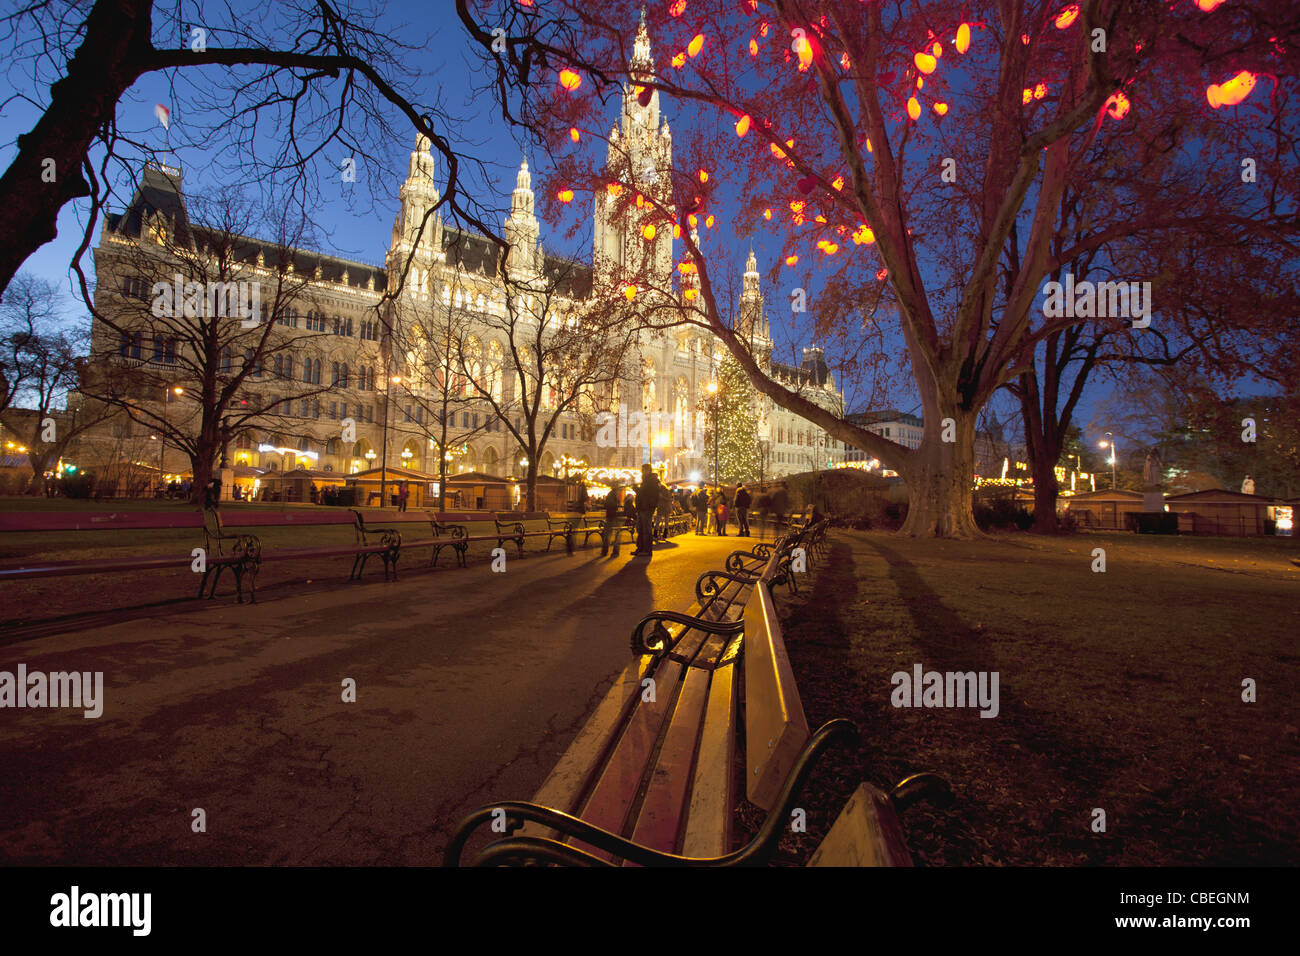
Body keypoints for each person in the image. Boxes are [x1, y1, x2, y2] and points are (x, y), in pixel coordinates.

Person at [634, 463, 660, 556]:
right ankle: (640, 548)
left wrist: (637, 490)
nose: (642, 472)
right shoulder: (645, 481)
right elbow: (643, 493)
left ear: (648, 470)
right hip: (642, 508)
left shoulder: (652, 481)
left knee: (646, 529)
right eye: (642, 470)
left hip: (647, 508)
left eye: (644, 470)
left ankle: (647, 550)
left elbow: (648, 494)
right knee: (640, 529)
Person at [600, 485, 624, 557]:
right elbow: (611, 505)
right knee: (614, 534)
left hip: (611, 516)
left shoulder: (611, 495)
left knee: (609, 534)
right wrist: (617, 507)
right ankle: (613, 551)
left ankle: (605, 551)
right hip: (612, 516)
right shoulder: (612, 495)